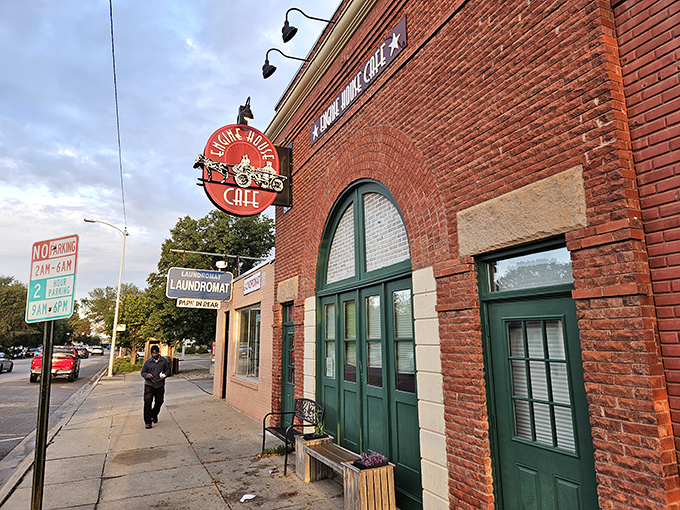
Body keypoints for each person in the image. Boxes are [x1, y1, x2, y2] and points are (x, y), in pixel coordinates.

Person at [140, 345, 170, 429]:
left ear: (158, 352)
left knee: (159, 401)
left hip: (160, 384)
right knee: (147, 402)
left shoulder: (163, 361)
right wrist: (147, 375)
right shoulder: (148, 362)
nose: (155, 354)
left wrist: (166, 374)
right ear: (151, 353)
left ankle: (154, 414)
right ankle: (148, 421)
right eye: (153, 353)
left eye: (156, 353)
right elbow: (143, 372)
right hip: (149, 384)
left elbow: (167, 369)